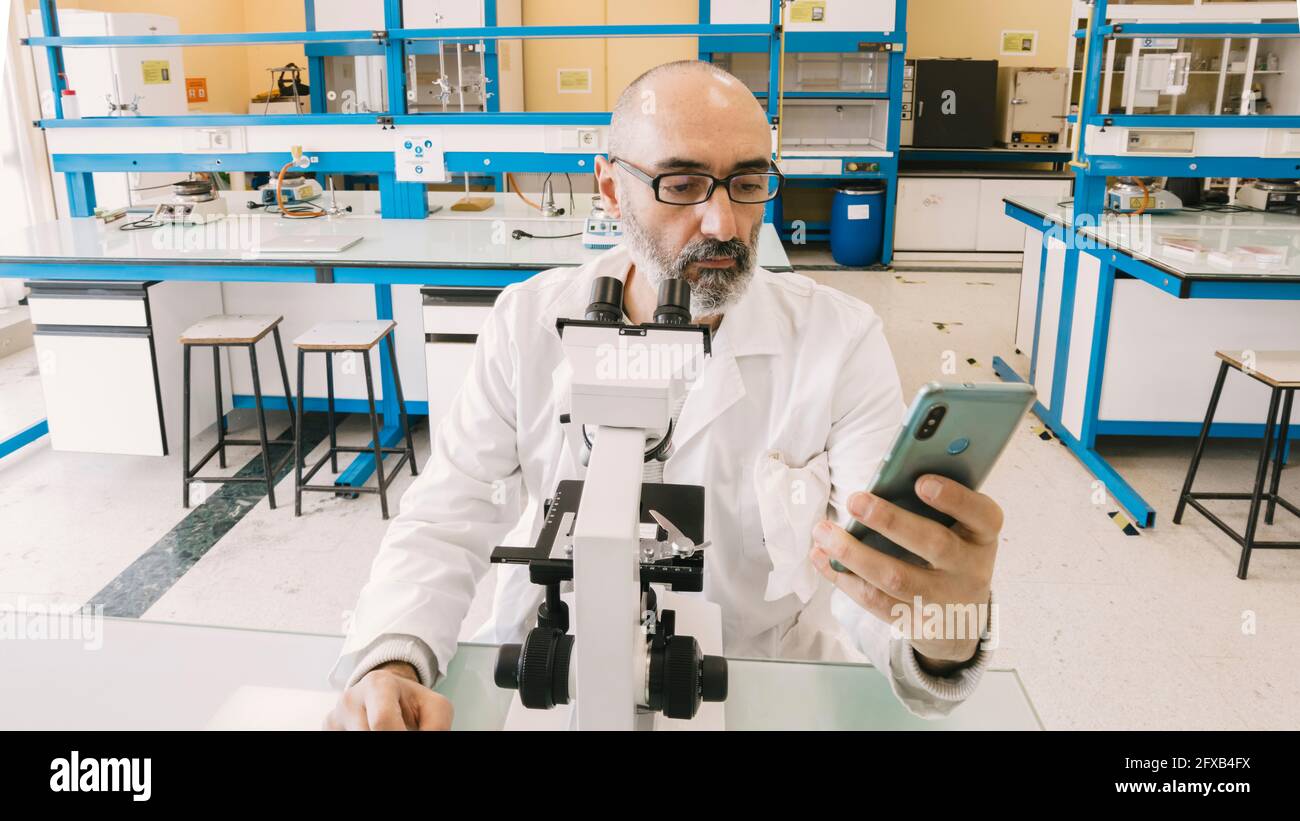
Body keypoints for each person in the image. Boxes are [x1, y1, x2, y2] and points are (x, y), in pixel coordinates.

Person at [325, 60, 1001, 730]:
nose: (723, 224)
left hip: (753, 681)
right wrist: (392, 660)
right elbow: (448, 514)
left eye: (748, 182)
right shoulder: (525, 323)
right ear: (612, 189)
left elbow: (874, 570)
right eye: (682, 184)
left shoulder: (839, 341)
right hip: (554, 676)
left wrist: (940, 635)